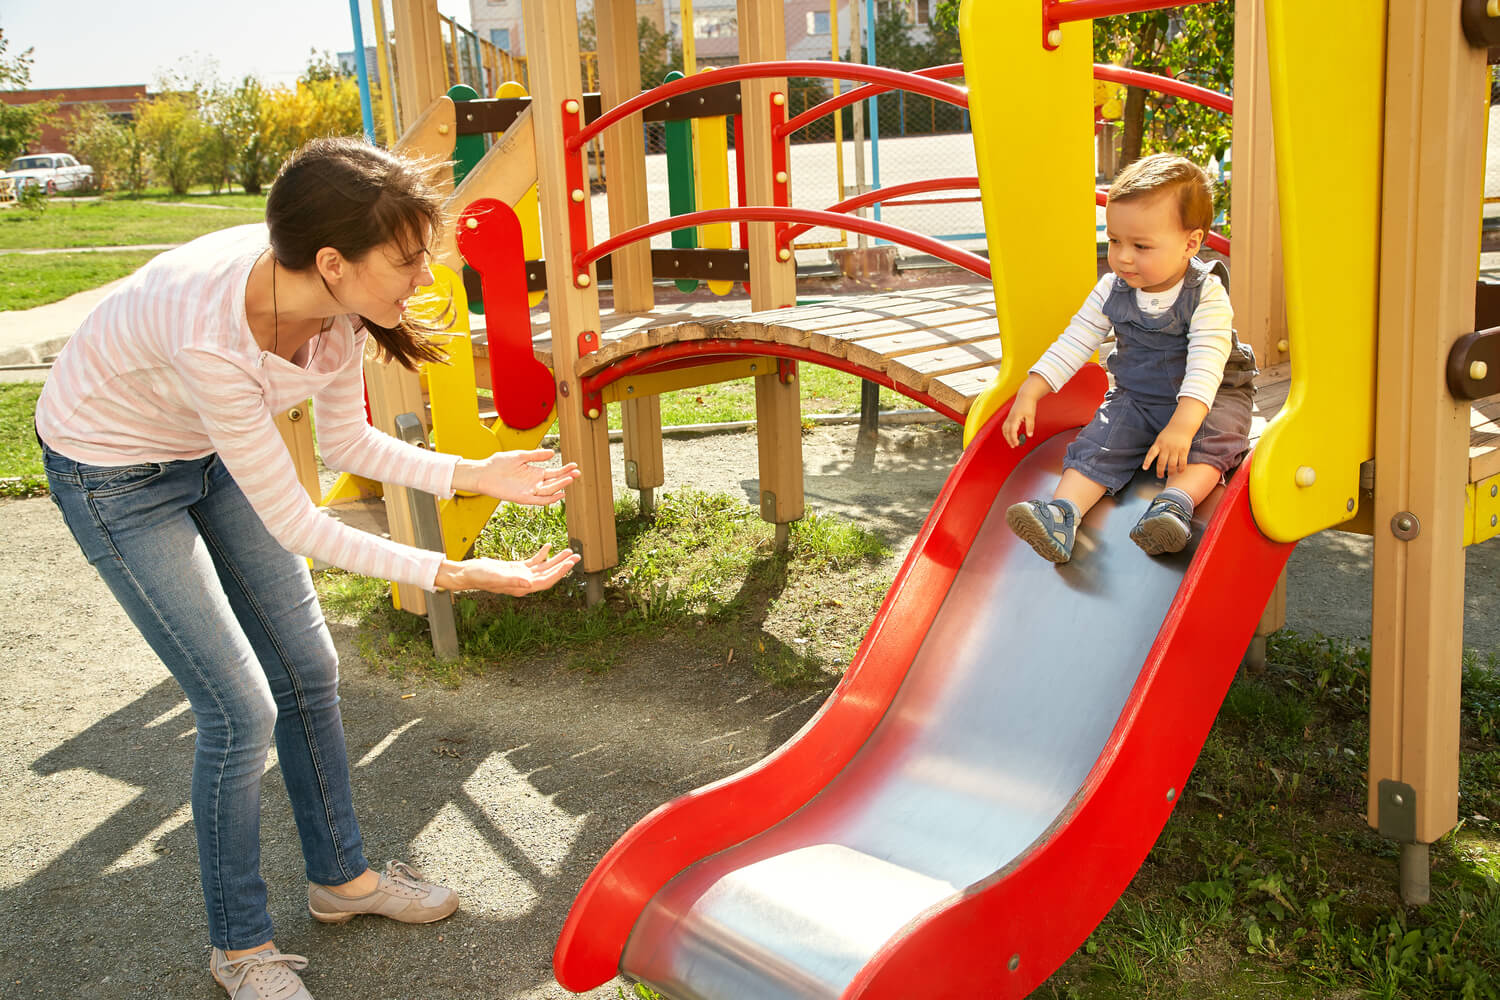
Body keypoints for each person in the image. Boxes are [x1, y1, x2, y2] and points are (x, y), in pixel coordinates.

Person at [34, 136, 582, 1000]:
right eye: (405, 261)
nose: (421, 277)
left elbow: (347, 444)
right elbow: (298, 520)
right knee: (237, 710)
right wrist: (461, 574)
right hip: (110, 470)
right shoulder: (211, 335)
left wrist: (480, 475)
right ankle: (240, 949)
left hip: (206, 449)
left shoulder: (335, 315)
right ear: (333, 261)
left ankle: (342, 882)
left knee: (307, 669)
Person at [1002, 153, 1256, 564]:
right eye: (1114, 240)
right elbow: (1075, 341)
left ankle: (1174, 505)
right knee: (1097, 442)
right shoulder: (1111, 289)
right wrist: (1033, 388)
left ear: (1190, 243)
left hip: (1206, 401)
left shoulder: (1206, 293)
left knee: (1215, 442)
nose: (1122, 257)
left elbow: (1207, 365)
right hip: (1138, 397)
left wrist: (1182, 425)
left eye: (1141, 246)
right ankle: (1061, 514)